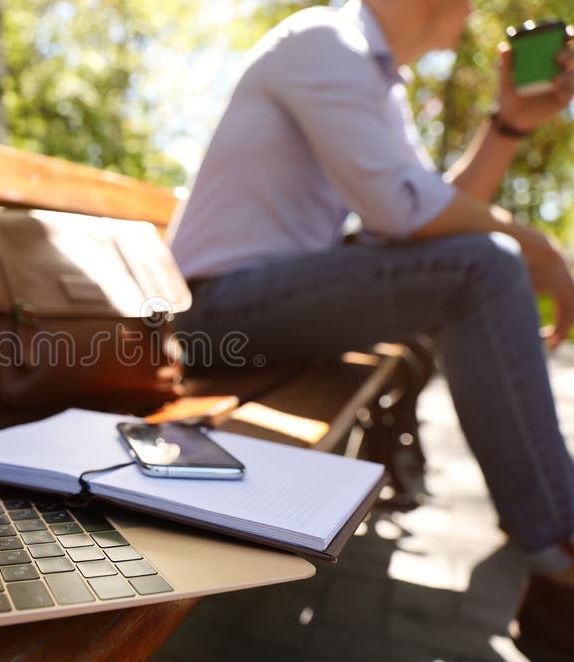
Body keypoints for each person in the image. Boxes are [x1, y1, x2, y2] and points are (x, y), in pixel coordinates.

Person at [167, 0, 574, 653]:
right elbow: (407, 212)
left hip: (264, 303)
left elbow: (431, 207)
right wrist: (539, 248)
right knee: (483, 267)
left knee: (477, 264)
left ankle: (555, 539)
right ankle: (562, 547)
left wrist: (509, 124)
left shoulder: (374, 76)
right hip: (214, 314)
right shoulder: (326, 41)